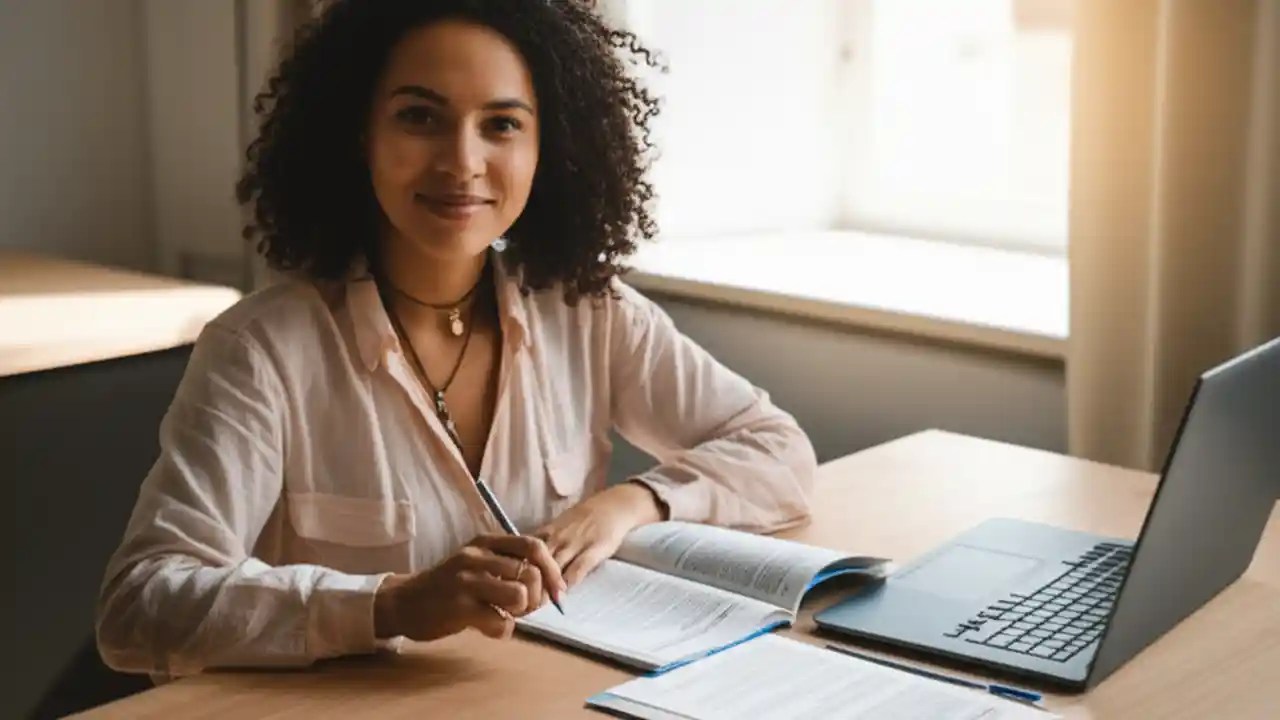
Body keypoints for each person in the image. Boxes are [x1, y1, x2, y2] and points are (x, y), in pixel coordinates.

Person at [96, 0, 815, 677]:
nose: (462, 162)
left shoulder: (588, 312)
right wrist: (391, 604)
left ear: (547, 146)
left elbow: (777, 450)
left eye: (501, 125)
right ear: (360, 133)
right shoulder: (261, 350)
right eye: (420, 117)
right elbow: (139, 605)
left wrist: (629, 503)